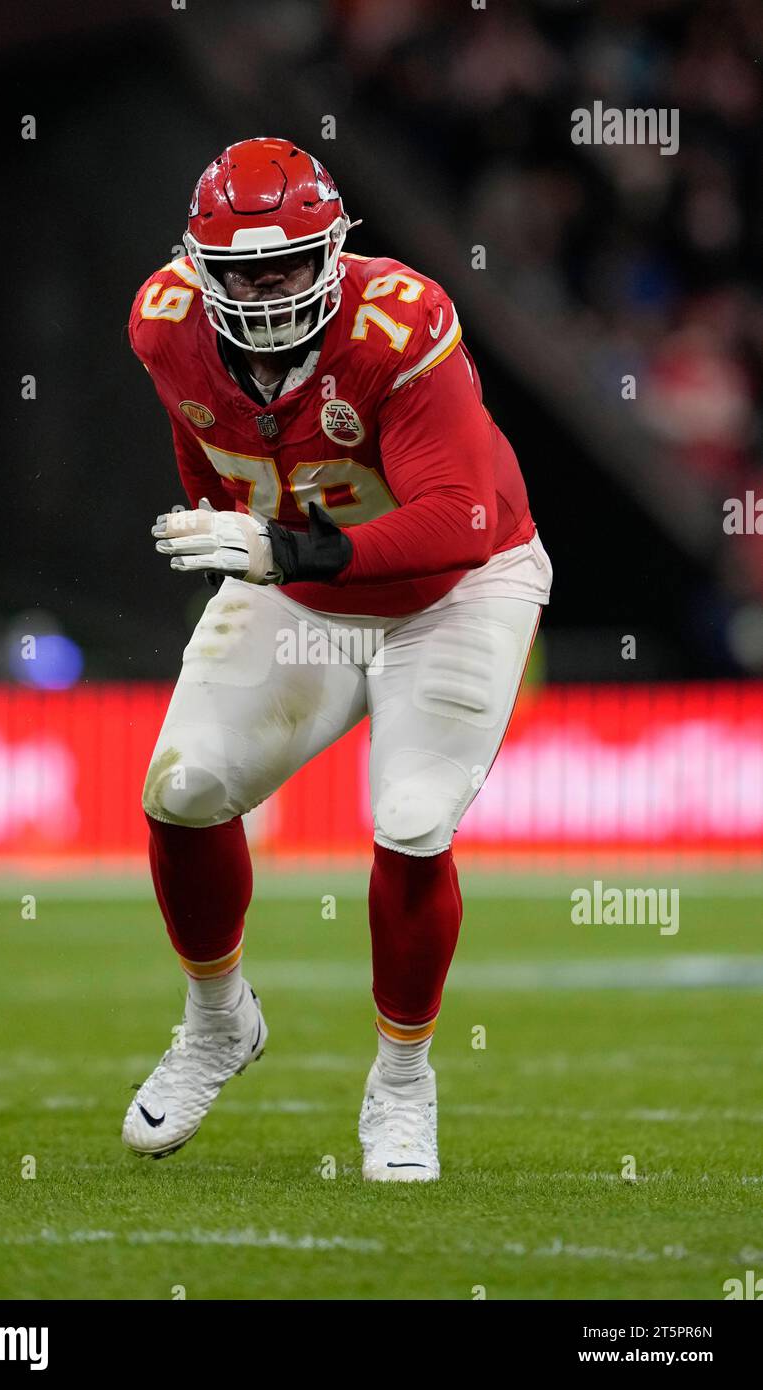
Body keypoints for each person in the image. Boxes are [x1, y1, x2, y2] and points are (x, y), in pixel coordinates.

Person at [122, 137, 552, 1180]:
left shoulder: (399, 323)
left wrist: (276, 546)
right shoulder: (164, 326)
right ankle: (218, 1021)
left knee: (409, 818)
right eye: (242, 272)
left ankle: (401, 1082)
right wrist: (231, 531)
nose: (266, 293)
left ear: (334, 249)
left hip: (456, 588)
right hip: (305, 584)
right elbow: (207, 446)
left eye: (287, 266)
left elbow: (463, 514)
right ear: (198, 268)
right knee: (181, 790)